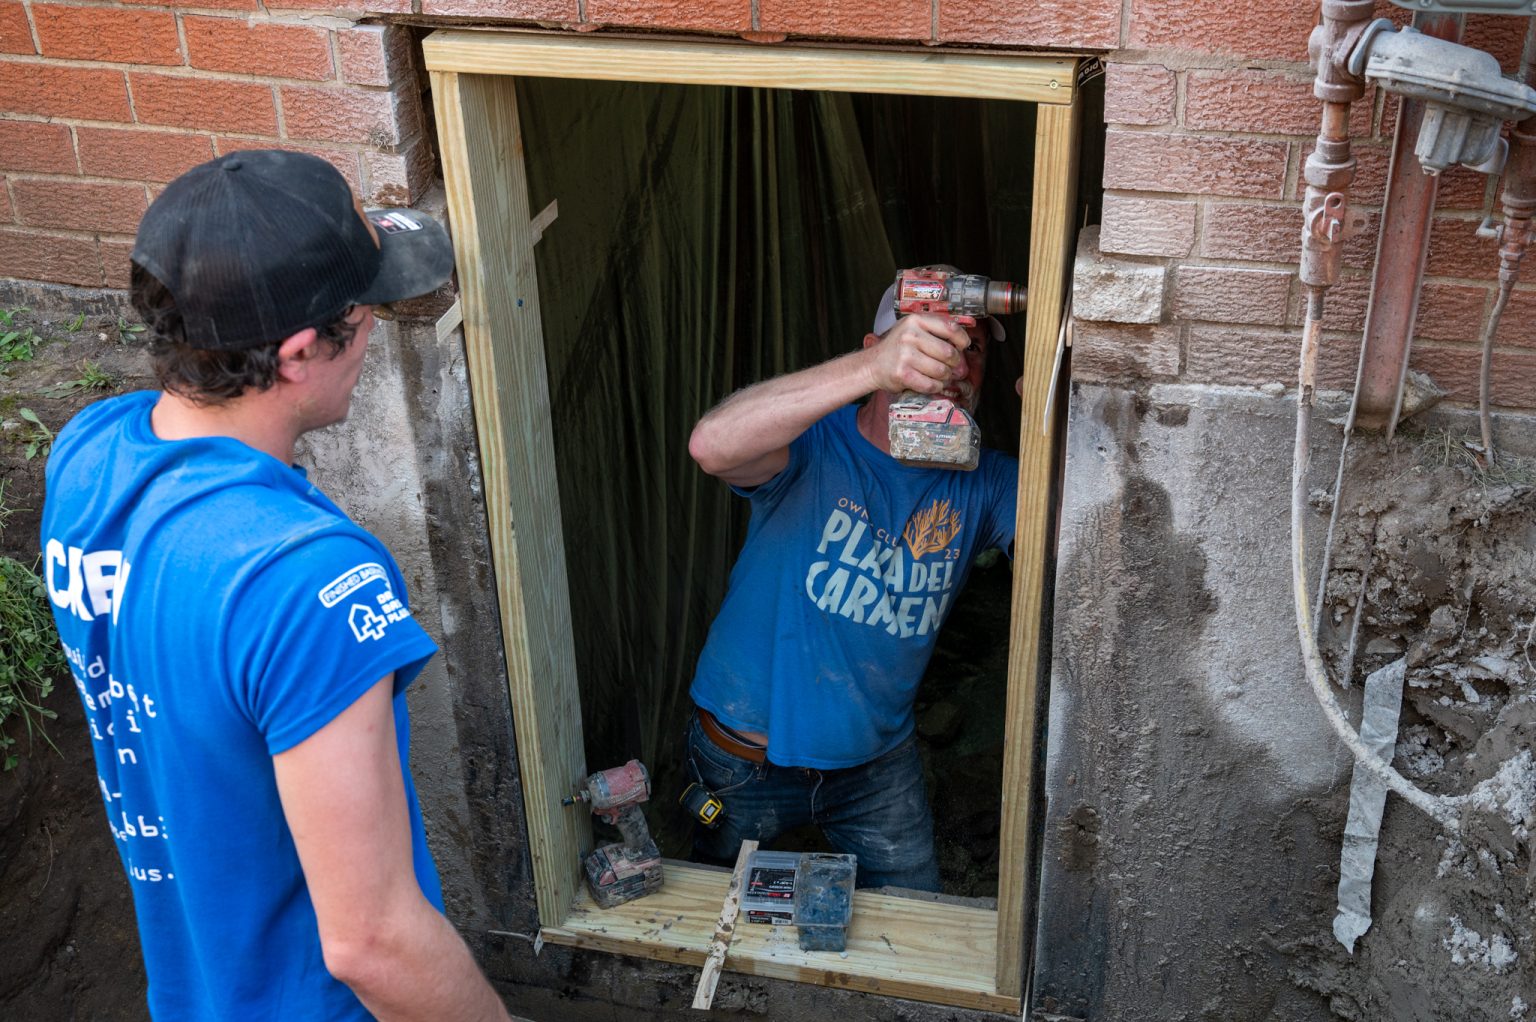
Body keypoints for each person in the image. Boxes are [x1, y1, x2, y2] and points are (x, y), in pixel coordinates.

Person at [39, 151, 512, 1021]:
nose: (369, 336)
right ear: (299, 352)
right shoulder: (310, 585)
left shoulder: (89, 455)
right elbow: (372, 940)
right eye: (364, 318)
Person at [684, 268, 1019, 892]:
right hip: (742, 761)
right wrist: (871, 373)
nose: (955, 364)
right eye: (930, 341)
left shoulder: (987, 481)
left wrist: (1070, 417)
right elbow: (712, 445)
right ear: (880, 349)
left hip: (876, 766)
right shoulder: (812, 441)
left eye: (970, 350)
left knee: (916, 915)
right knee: (715, 928)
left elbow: (1078, 559)